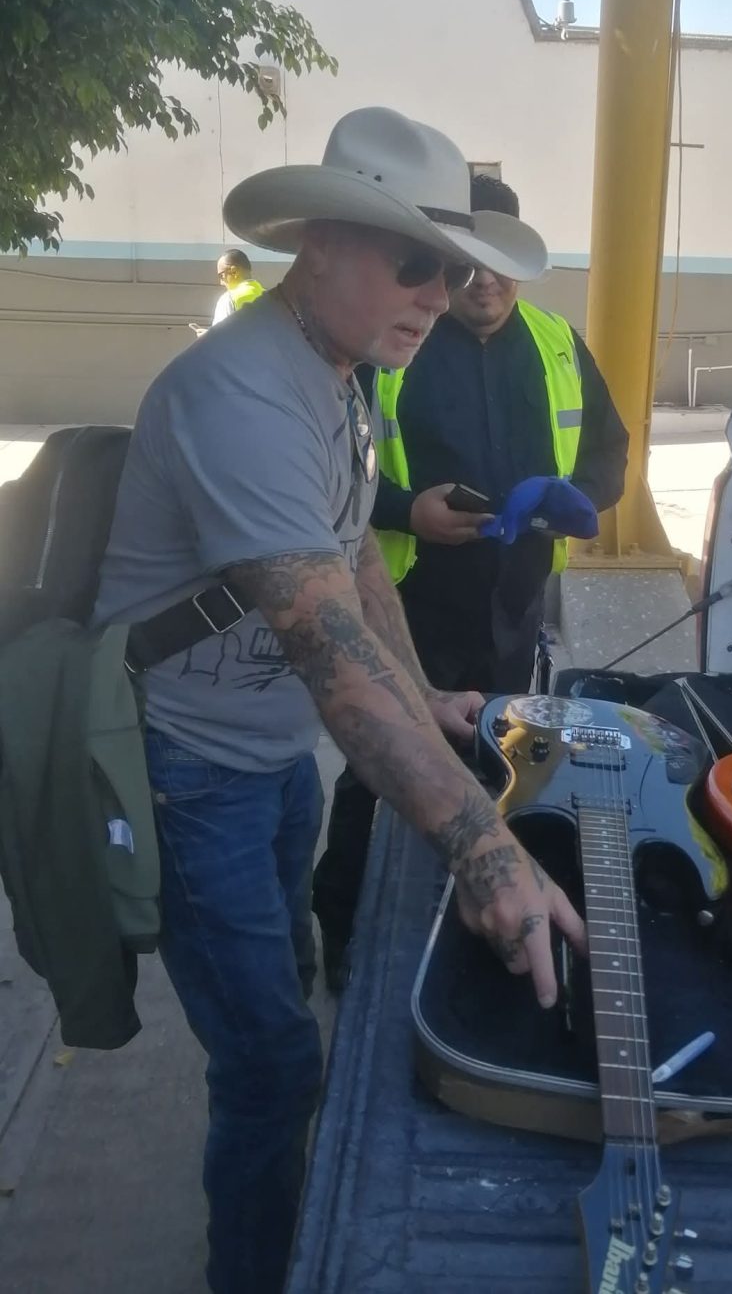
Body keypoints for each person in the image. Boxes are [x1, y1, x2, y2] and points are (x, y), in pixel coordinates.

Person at [93, 107, 585, 1294]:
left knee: (294, 994)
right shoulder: (242, 393)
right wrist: (484, 850)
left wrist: (433, 696)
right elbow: (321, 639)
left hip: (264, 764)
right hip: (189, 769)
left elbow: (358, 566)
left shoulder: (347, 375)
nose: (440, 291)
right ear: (318, 240)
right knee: (266, 1066)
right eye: (415, 261)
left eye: (455, 268)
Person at [312, 173, 628, 987]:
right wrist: (406, 509)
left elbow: (607, 457)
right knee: (378, 765)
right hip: (412, 604)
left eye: (496, 261)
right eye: (466, 262)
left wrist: (576, 504)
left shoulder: (559, 344)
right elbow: (332, 476)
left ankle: (482, 915)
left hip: (513, 605)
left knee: (501, 764)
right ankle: (341, 929)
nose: (481, 280)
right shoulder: (396, 346)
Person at [190, 248, 265, 336]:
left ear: (234, 272)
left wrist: (207, 337)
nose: (221, 282)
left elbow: (221, 341)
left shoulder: (228, 299)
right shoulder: (269, 297)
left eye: (221, 275)